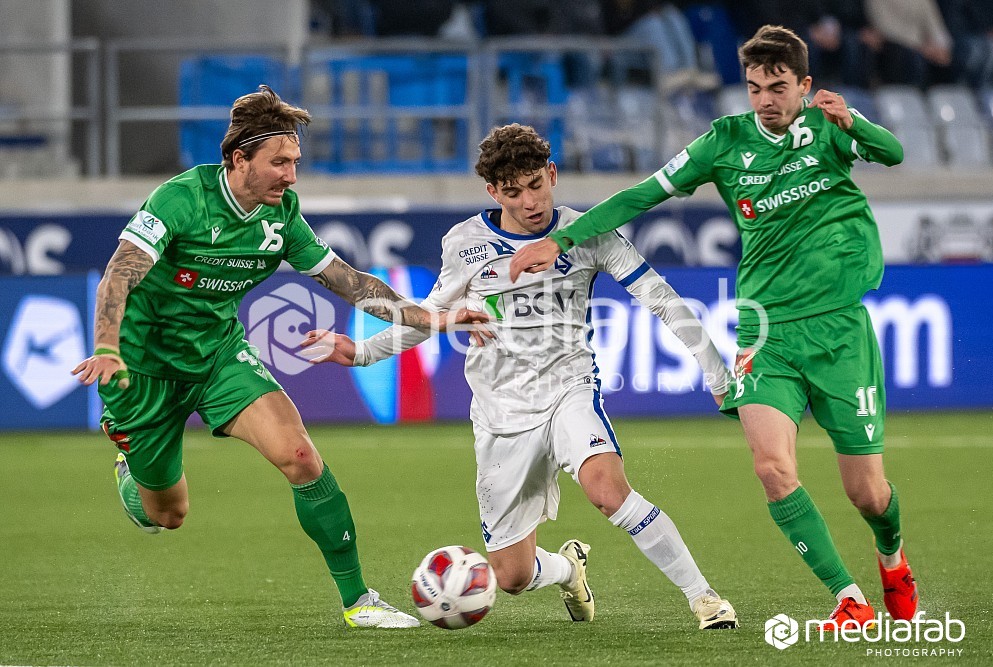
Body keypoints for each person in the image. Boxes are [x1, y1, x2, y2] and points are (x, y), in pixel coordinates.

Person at [509, 26, 918, 629]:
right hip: (764, 329)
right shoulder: (725, 142)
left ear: (804, 86)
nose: (765, 100)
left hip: (839, 331)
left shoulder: (831, 127)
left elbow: (894, 154)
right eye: (754, 88)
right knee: (772, 469)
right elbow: (642, 194)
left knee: (868, 495)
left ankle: (892, 557)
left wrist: (854, 121)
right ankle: (848, 598)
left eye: (778, 88)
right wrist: (561, 238)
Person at [71, 85, 488, 630]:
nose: (292, 176)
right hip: (142, 371)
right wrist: (106, 346)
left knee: (300, 456)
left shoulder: (282, 215)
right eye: (280, 162)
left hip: (219, 357)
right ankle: (131, 465)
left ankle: (358, 601)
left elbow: (352, 284)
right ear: (239, 158)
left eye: (295, 162)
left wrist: (434, 318)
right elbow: (120, 270)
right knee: (166, 516)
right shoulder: (181, 198)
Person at [302, 123, 739, 629]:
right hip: (499, 413)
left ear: (552, 174)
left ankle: (704, 599)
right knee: (510, 575)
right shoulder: (465, 244)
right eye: (513, 192)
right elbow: (427, 318)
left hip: (568, 389)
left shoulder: (589, 232)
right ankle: (567, 569)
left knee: (606, 489)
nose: (530, 201)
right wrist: (358, 351)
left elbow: (661, 299)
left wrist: (716, 371)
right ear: (493, 192)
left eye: (536, 185)